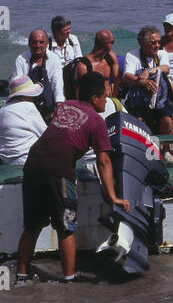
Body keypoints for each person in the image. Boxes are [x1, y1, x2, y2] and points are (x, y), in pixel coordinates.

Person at [16, 71, 130, 282]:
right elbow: (103, 161)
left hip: (33, 165)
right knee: (66, 228)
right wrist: (113, 197)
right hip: (59, 171)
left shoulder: (64, 107)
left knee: (32, 226)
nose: (106, 99)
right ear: (94, 98)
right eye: (105, 96)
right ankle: (68, 279)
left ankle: (21, 274)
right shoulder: (97, 121)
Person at [121, 25, 173, 134]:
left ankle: (163, 148)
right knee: (138, 122)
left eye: (158, 42)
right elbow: (127, 76)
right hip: (139, 99)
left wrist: (149, 71)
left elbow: (166, 69)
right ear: (142, 43)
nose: (157, 45)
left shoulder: (162, 53)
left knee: (167, 120)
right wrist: (142, 82)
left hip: (160, 98)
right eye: (153, 43)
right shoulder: (132, 55)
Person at [0, 75, 46, 164]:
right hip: (24, 159)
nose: (33, 97)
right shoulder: (28, 107)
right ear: (23, 96)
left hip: (4, 158)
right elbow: (45, 134)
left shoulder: (4, 108)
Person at [14, 28, 64, 117]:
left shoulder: (54, 59)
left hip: (48, 104)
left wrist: (59, 106)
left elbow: (57, 85)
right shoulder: (21, 60)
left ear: (47, 44)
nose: (37, 45)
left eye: (41, 42)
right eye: (34, 42)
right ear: (29, 44)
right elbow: (19, 89)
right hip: (28, 105)